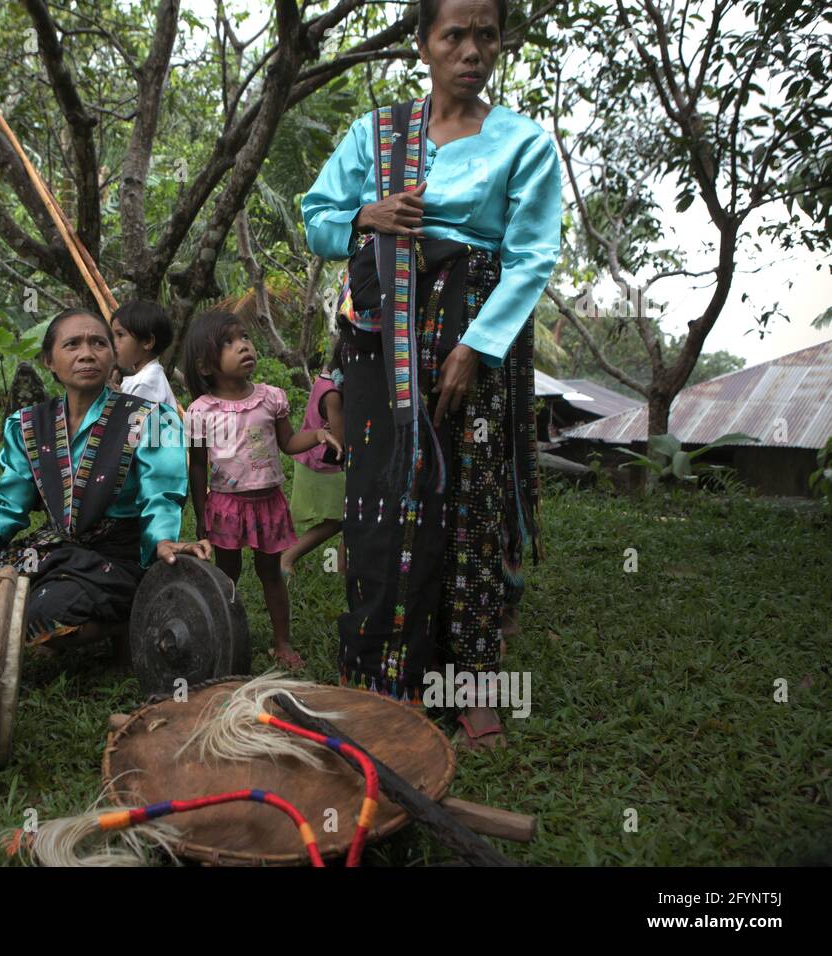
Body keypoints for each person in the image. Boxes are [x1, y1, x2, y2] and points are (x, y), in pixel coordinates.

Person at [300, 0, 560, 749]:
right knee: (385, 500)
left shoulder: (523, 142)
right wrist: (366, 216)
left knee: (471, 496)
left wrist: (475, 346)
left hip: (479, 331)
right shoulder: (377, 136)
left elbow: (534, 253)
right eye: (455, 34)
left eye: (487, 34)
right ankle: (384, 682)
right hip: (384, 334)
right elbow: (317, 217)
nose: (472, 49)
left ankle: (472, 684)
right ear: (423, 45)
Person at [0, 308, 209, 649]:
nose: (87, 353)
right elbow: (9, 506)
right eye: (72, 344)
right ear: (49, 360)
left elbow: (162, 494)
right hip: (52, 550)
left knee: (40, 616)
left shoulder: (150, 419)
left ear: (112, 356)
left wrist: (162, 540)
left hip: (119, 558)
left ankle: (130, 619)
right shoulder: (29, 425)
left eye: (99, 343)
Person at [183, 311, 342, 671]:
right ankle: (224, 634)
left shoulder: (271, 398)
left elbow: (287, 444)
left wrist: (317, 434)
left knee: (271, 574)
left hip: (268, 502)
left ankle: (282, 643)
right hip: (226, 506)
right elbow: (196, 465)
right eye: (228, 342)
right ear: (206, 365)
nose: (243, 346)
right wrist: (200, 514)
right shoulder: (200, 411)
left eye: (244, 338)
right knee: (227, 576)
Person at [280, 337, 346, 578]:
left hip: (316, 457)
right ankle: (288, 557)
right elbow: (340, 438)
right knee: (340, 519)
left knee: (344, 518)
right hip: (325, 461)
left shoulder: (326, 376)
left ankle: (341, 568)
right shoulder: (334, 394)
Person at [110, 299, 181, 411]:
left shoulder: (144, 385)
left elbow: (131, 425)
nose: (113, 342)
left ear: (147, 341)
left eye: (120, 335)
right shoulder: (149, 378)